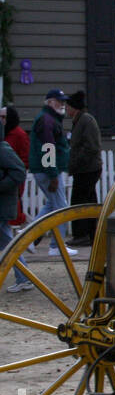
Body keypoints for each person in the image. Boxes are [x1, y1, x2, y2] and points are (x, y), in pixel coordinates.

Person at [29, 88, 77, 257]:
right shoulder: (47, 121)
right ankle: (56, 246)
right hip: (48, 171)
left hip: (45, 170)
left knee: (52, 205)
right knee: (61, 207)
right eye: (59, 101)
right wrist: (52, 175)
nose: (63, 104)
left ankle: (27, 237)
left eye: (63, 101)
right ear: (50, 102)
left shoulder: (48, 119)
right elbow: (47, 148)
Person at [0, 112, 34, 291]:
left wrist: (50, 169)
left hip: (3, 204)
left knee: (8, 244)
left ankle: (24, 277)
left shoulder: (7, 143)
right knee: (7, 244)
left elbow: (20, 168)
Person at [66, 91, 102, 245]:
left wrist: (75, 162)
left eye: (68, 106)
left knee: (80, 202)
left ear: (74, 108)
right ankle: (92, 235)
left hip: (87, 169)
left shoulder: (86, 121)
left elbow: (91, 147)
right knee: (89, 201)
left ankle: (82, 235)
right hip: (84, 168)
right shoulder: (79, 121)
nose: (66, 109)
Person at [3, 104, 29, 235]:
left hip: (13, 177)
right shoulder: (4, 133)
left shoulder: (19, 134)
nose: (1, 120)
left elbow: (25, 157)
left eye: (3, 117)